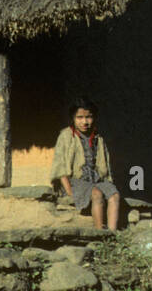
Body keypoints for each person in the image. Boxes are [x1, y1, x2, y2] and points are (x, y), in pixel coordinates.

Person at [50, 99, 121, 230]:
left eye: (88, 117)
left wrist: (108, 183)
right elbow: (60, 167)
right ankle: (100, 234)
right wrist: (70, 192)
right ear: (73, 118)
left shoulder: (98, 138)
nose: (85, 122)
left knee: (115, 196)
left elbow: (106, 165)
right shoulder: (66, 136)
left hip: (96, 180)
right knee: (97, 194)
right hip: (74, 181)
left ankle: (112, 234)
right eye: (80, 117)